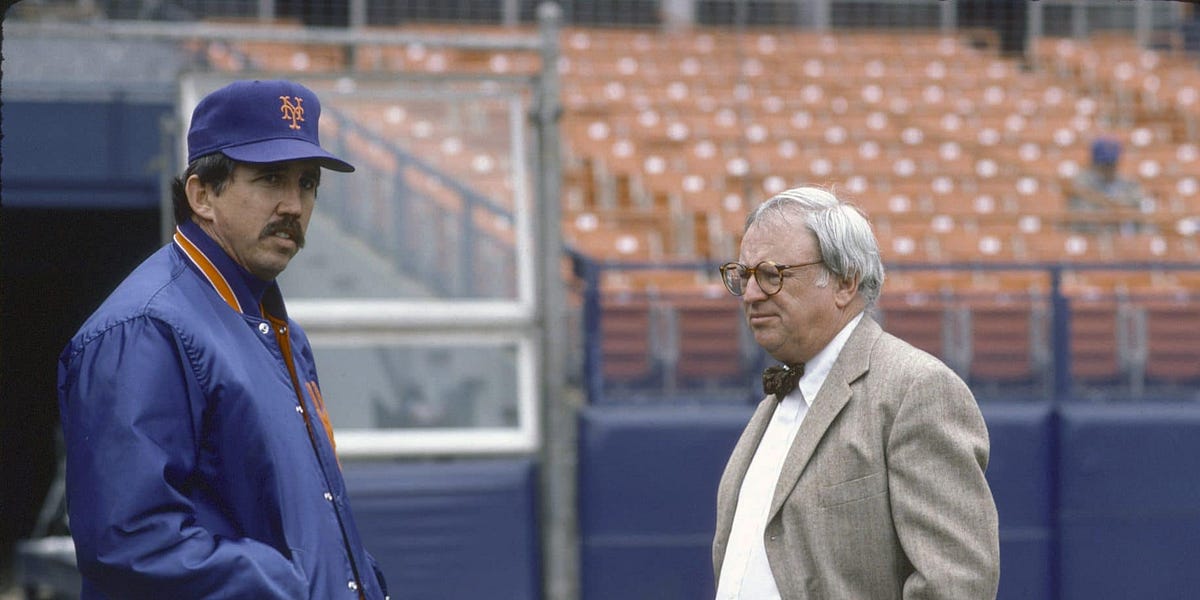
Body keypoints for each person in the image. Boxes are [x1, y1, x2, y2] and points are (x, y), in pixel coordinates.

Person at [57, 80, 389, 599]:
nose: (293, 205)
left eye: (306, 184)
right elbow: (131, 543)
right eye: (270, 178)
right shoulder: (146, 328)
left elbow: (304, 523)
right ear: (202, 194)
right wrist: (296, 589)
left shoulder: (276, 329)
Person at [712, 187, 999, 599]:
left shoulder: (915, 390)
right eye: (744, 275)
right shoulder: (773, 407)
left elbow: (956, 585)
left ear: (845, 281)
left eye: (773, 275)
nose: (752, 294)